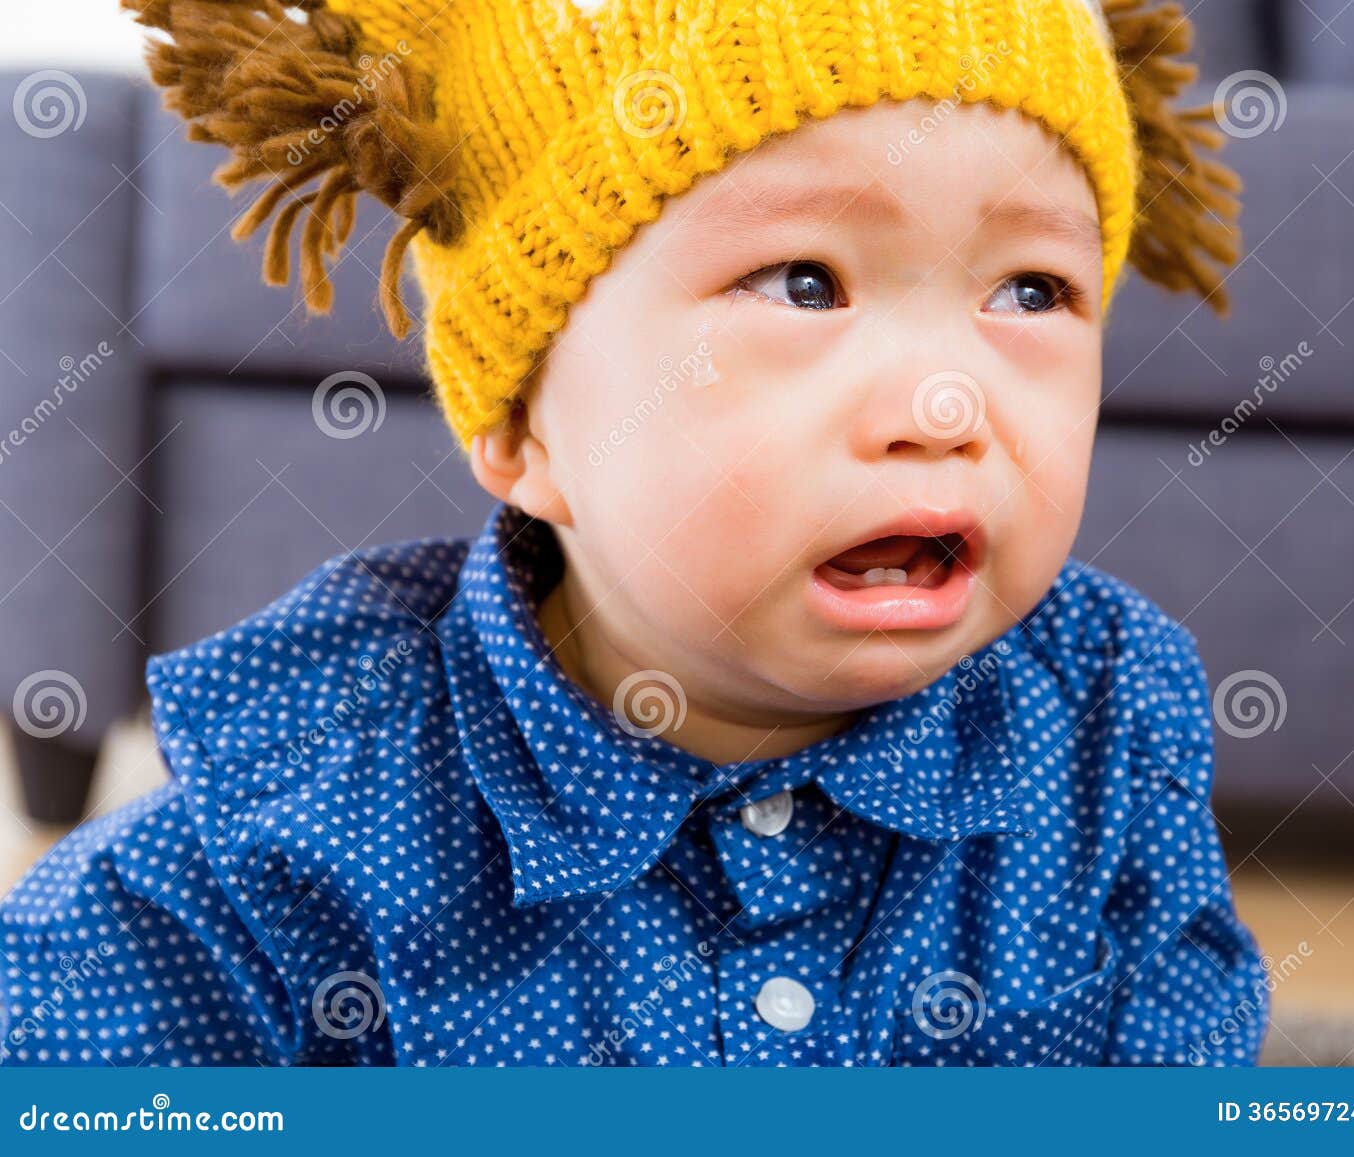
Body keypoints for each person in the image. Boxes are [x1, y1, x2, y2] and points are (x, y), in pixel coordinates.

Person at [0, 0, 1267, 1066]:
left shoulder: (1102, 719)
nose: (945, 406)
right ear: (526, 425)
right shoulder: (320, 818)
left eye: (1031, 290)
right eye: (805, 283)